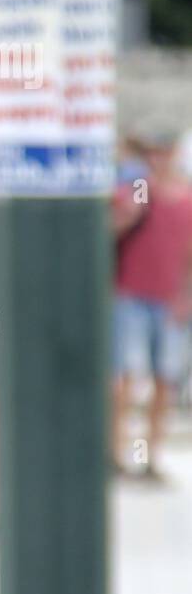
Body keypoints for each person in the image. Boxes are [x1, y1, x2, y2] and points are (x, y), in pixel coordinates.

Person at [111, 121, 192, 481]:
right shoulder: (141, 189)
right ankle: (117, 453)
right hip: (131, 293)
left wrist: (185, 296)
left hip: (170, 298)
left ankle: (151, 457)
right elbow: (120, 220)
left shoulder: (187, 198)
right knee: (125, 378)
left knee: (164, 381)